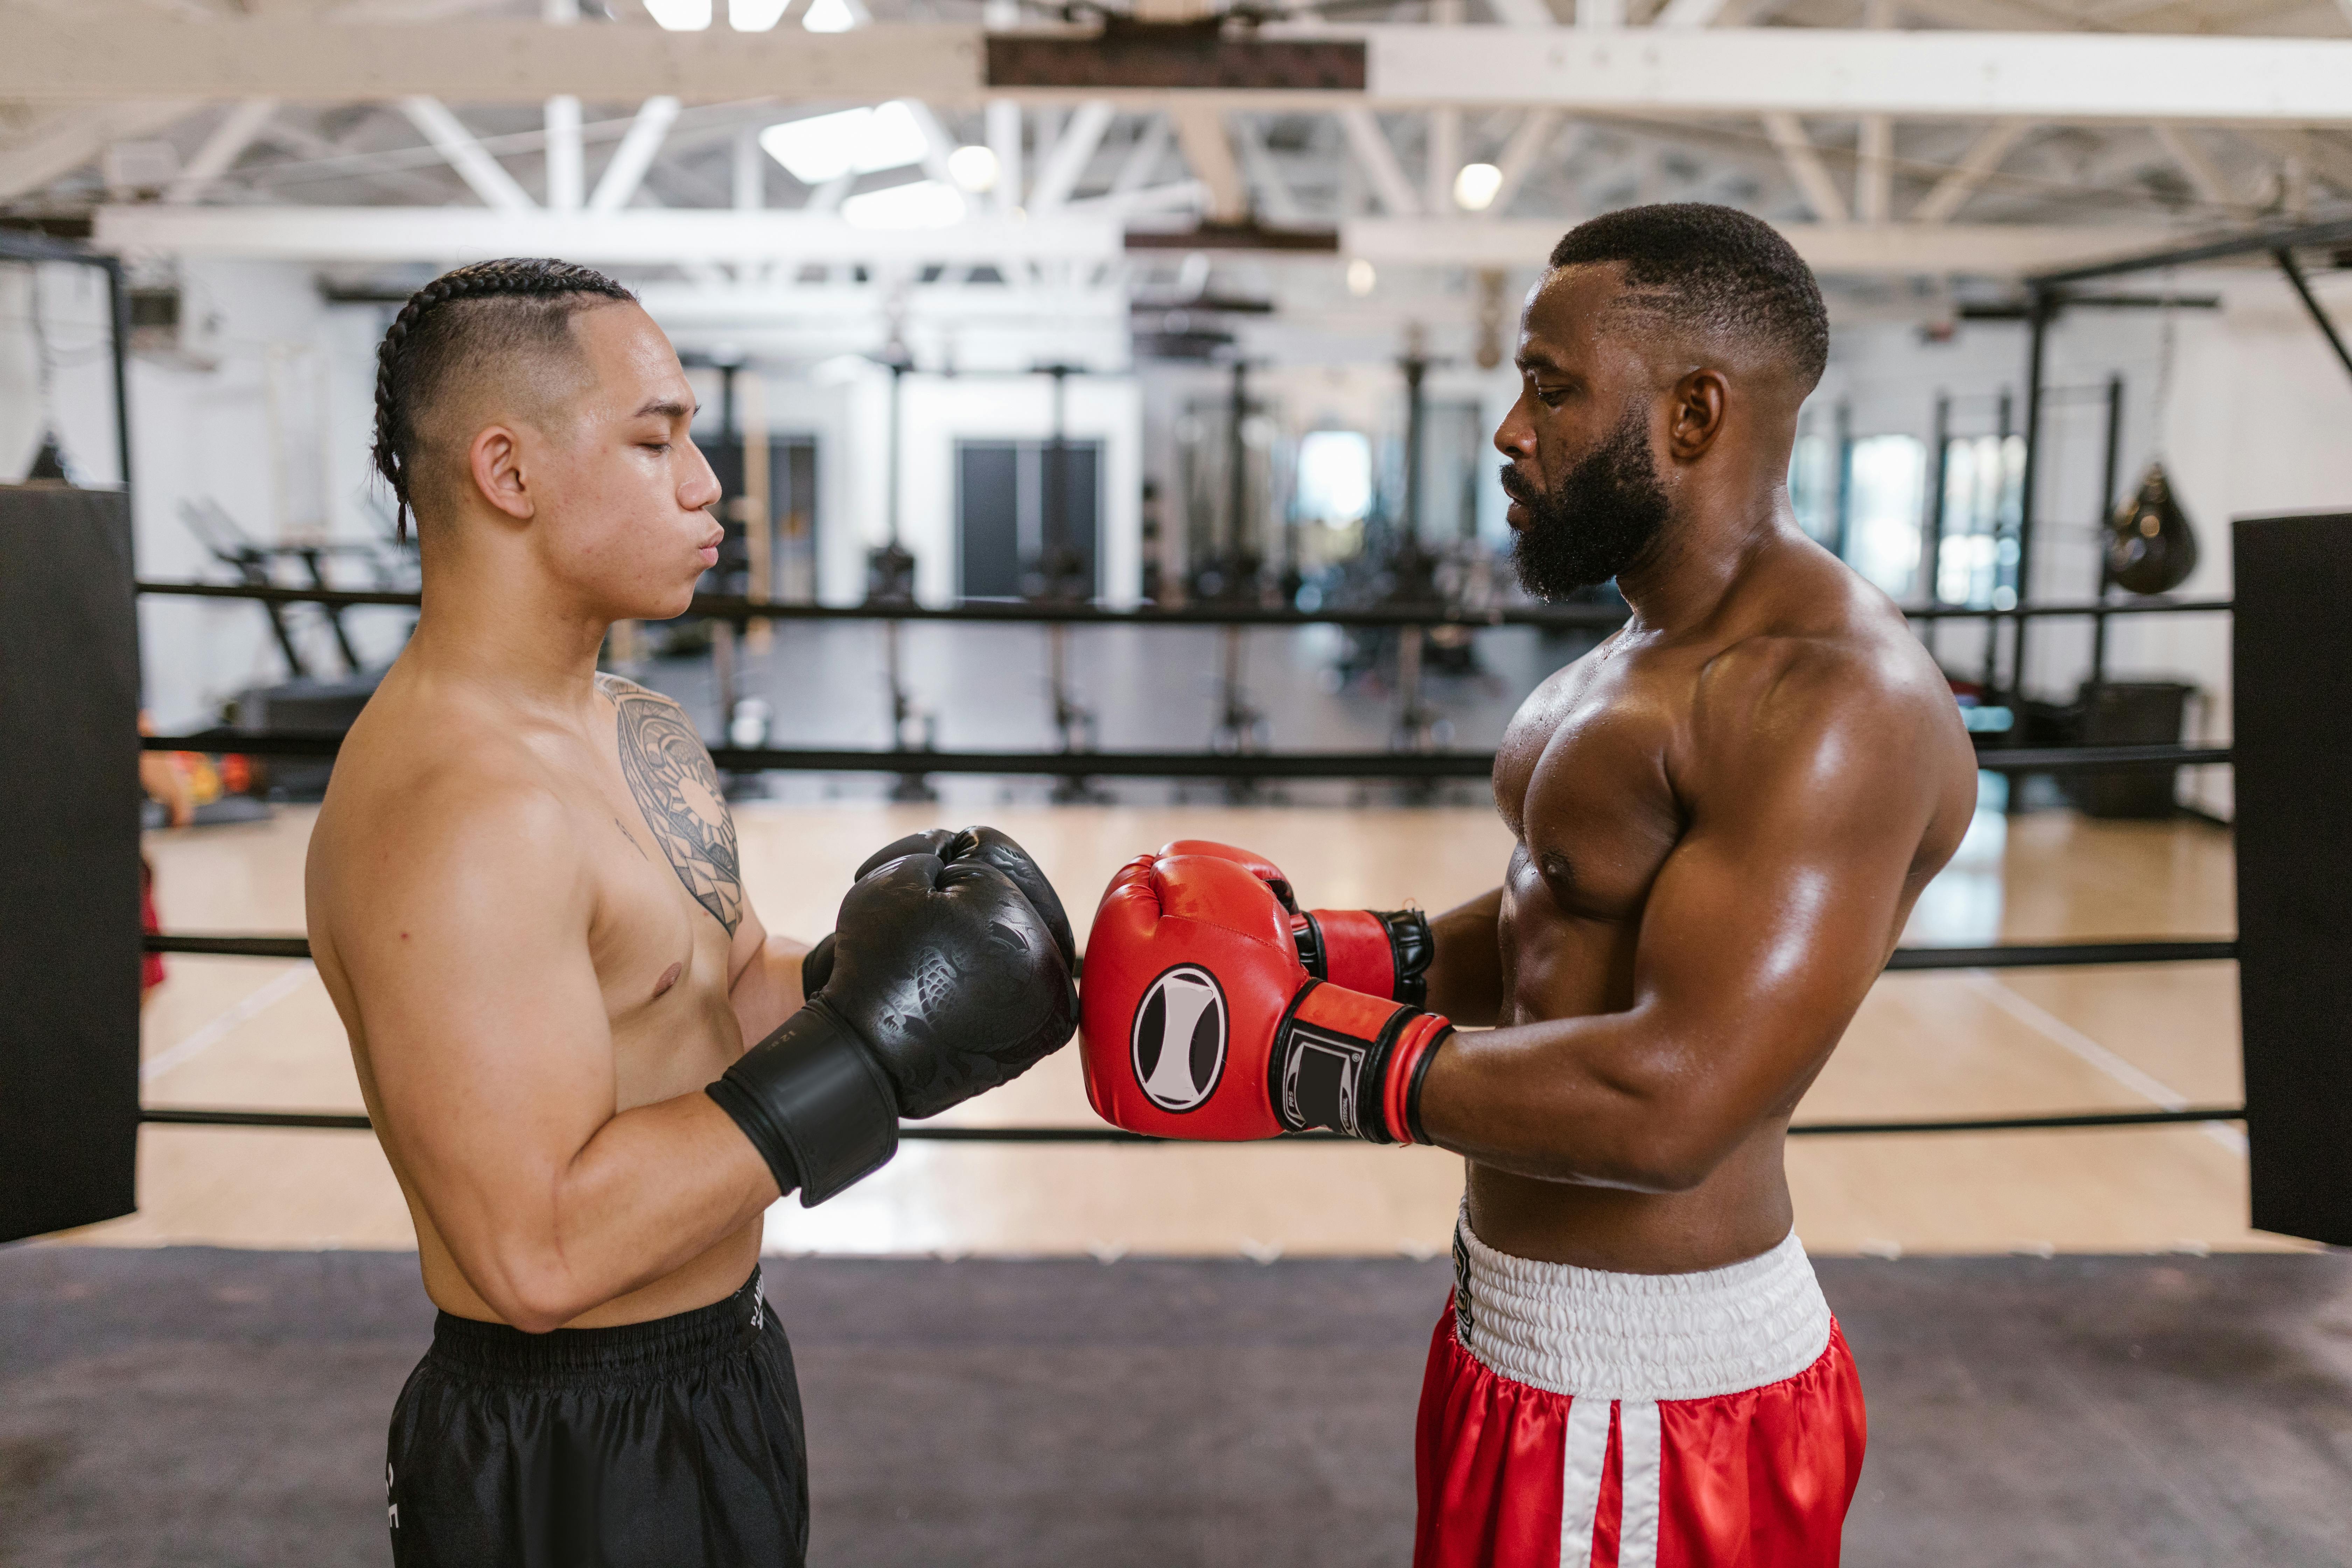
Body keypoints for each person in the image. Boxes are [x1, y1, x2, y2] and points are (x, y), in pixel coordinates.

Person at [1079, 205, 1980, 1566]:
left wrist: (1303, 1053)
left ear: (1693, 414)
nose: (1510, 429)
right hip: (1524, 1341)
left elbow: (1670, 1100)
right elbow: (1548, 920)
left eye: (1550, 388)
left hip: (1653, 1398)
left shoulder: (1828, 695)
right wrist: (1325, 952)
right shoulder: (1637, 655)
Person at [305, 259, 1077, 1568]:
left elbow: (717, 992)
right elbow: (537, 1255)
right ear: (509, 473)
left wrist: (898, 977)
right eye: (655, 438)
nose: (706, 481)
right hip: (567, 1443)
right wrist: (870, 1059)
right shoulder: (457, 813)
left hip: (721, 1368)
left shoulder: (634, 726)